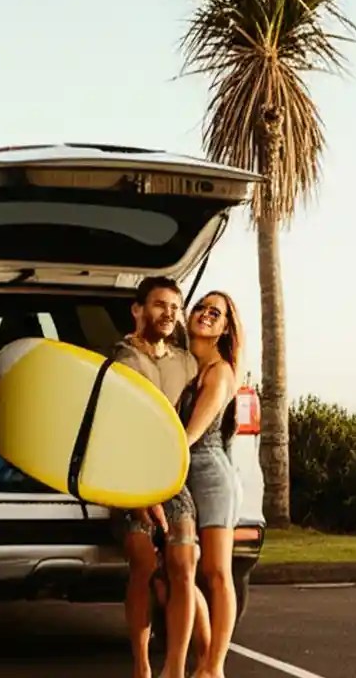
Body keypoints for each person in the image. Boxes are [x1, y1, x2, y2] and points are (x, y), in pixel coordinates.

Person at [110, 275, 209, 678]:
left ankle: (176, 668)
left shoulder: (187, 362)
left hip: (172, 474)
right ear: (137, 310)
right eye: (158, 305)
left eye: (174, 307)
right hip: (129, 475)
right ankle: (142, 667)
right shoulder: (119, 359)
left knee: (185, 562)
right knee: (144, 562)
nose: (168, 313)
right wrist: (139, 494)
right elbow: (114, 429)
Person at [175, 290, 245, 678]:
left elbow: (191, 435)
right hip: (183, 472)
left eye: (214, 313)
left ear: (224, 328)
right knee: (177, 573)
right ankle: (205, 659)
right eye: (200, 307)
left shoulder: (219, 372)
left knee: (217, 573)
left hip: (211, 475)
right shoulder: (184, 364)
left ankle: (214, 667)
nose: (204, 314)